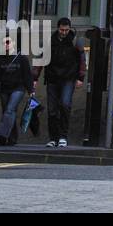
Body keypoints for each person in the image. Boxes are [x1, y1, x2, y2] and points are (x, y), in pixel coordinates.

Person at [40, 17, 85, 148]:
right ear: (58, 28)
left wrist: (80, 78)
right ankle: (53, 138)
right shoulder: (50, 41)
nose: (64, 32)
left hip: (68, 78)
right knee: (52, 109)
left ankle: (62, 136)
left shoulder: (76, 41)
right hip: (53, 78)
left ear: (69, 29)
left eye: (66, 30)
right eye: (61, 30)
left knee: (65, 105)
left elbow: (82, 60)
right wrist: (35, 78)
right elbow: (41, 59)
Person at [0, 36, 34, 146]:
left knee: (10, 109)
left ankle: (2, 134)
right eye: (3, 43)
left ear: (13, 43)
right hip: (4, 89)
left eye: (8, 42)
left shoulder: (22, 58)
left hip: (18, 88)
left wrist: (31, 90)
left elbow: (27, 75)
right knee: (8, 112)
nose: (6, 44)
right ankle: (12, 138)